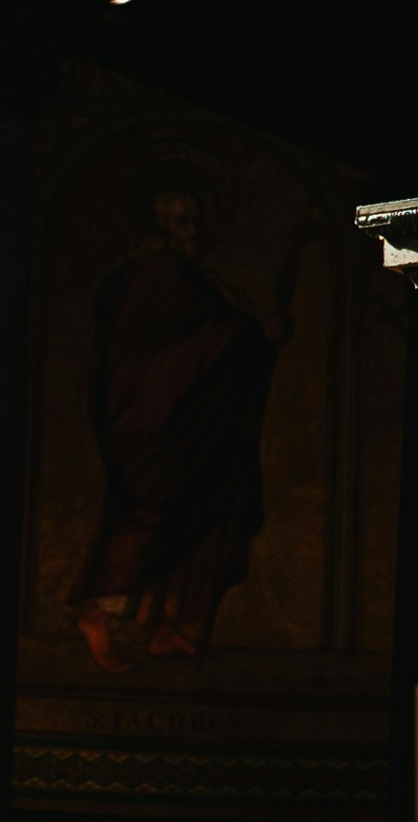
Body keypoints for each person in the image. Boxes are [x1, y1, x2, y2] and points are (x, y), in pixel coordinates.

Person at [66, 181, 276, 668]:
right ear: (158, 226)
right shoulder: (156, 275)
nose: (191, 233)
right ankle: (99, 610)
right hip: (155, 418)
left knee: (192, 512)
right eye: (181, 222)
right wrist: (252, 332)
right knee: (153, 509)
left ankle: (166, 623)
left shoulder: (185, 277)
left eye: (195, 223)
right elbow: (181, 344)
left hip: (182, 414)